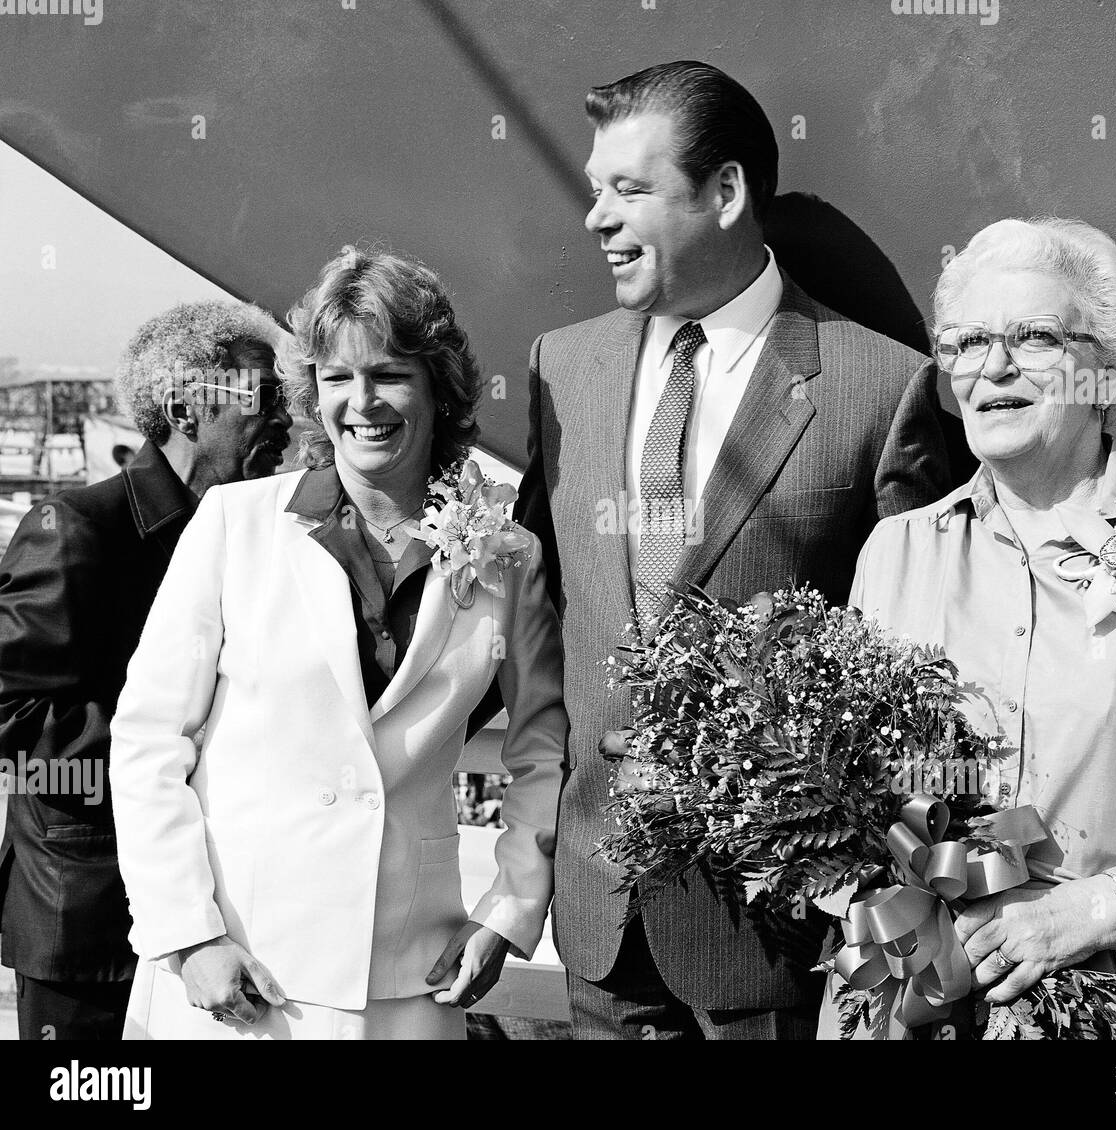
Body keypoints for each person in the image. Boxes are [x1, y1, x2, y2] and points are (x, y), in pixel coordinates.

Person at [515, 61, 951, 1039]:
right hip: (599, 926)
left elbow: (916, 678)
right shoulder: (560, 368)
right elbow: (540, 619)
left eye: (629, 189)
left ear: (725, 193)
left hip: (775, 938)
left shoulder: (882, 389)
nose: (595, 217)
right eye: (595, 188)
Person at [830, 217, 1116, 1035]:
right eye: (967, 341)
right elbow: (845, 801)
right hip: (912, 1008)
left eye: (1035, 337)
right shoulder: (893, 553)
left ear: (1109, 369)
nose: (994, 367)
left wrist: (1096, 910)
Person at [108, 247, 566, 1039]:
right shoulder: (233, 524)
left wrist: (508, 911)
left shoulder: (509, 555)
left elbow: (543, 748)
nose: (362, 401)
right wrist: (188, 938)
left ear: (438, 387)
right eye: (335, 377)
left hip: (409, 976)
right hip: (237, 975)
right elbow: (149, 741)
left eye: (389, 372)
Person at [0, 300, 290, 1040]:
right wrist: (168, 745)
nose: (287, 419)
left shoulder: (252, 533)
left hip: (221, 920)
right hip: (88, 922)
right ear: (183, 409)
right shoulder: (76, 528)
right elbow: (12, 715)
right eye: (263, 396)